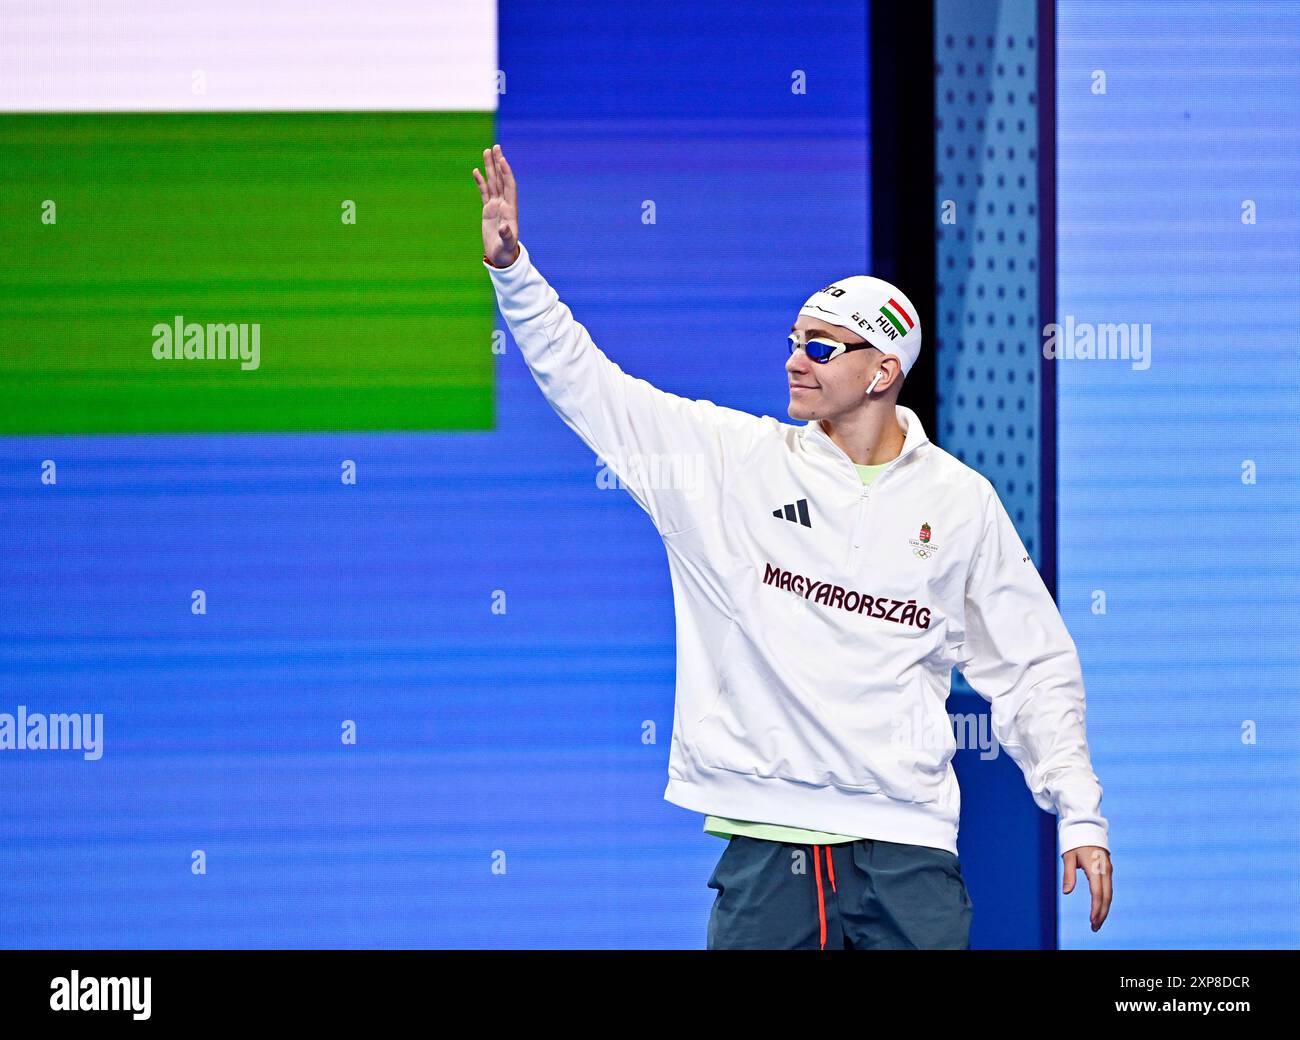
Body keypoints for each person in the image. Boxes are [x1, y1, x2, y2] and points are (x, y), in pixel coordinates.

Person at [473, 143, 1113, 949]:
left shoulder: (959, 502)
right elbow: (589, 385)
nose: (792, 360)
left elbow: (1032, 668)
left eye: (819, 346)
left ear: (883, 370)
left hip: (908, 849)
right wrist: (514, 271)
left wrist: (1079, 812)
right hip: (769, 842)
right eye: (793, 339)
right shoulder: (730, 463)